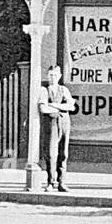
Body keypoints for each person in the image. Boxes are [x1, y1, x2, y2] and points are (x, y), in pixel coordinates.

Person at [37, 64, 75, 192]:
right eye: (50, 75)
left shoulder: (64, 90)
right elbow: (43, 108)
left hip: (64, 123)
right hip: (51, 123)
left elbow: (71, 106)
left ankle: (62, 182)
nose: (53, 77)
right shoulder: (44, 90)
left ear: (59, 76)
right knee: (51, 153)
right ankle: (50, 182)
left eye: (55, 75)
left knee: (63, 153)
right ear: (48, 76)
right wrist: (60, 107)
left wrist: (53, 105)